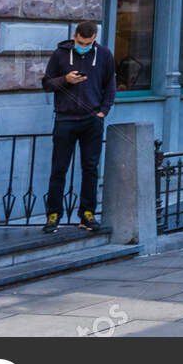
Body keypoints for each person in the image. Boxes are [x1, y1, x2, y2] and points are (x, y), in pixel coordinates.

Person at [40, 21, 115, 233]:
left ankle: (87, 214)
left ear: (95, 39)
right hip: (65, 119)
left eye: (88, 43)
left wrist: (102, 112)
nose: (84, 45)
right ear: (75, 36)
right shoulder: (60, 54)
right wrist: (65, 79)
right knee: (59, 168)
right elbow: (46, 84)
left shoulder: (104, 55)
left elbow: (110, 85)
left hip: (92, 119)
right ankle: (53, 214)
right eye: (81, 42)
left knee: (90, 169)